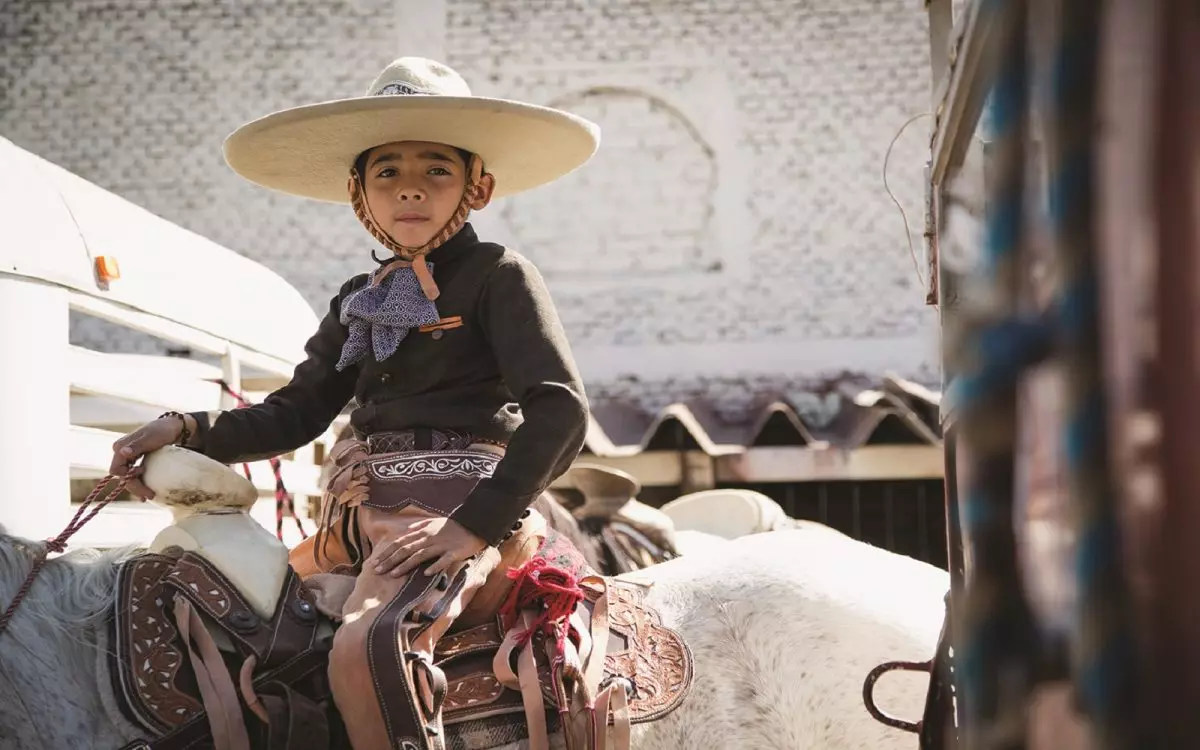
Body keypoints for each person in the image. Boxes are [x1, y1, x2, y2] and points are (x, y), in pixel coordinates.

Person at [109, 57, 602, 750]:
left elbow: (559, 410)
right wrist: (185, 427)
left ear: (477, 187)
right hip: (356, 522)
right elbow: (296, 412)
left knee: (365, 650)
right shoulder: (357, 299)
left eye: (436, 169)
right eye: (387, 173)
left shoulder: (499, 275)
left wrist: (474, 525)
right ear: (358, 194)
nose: (410, 190)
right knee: (261, 647)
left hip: (458, 511)